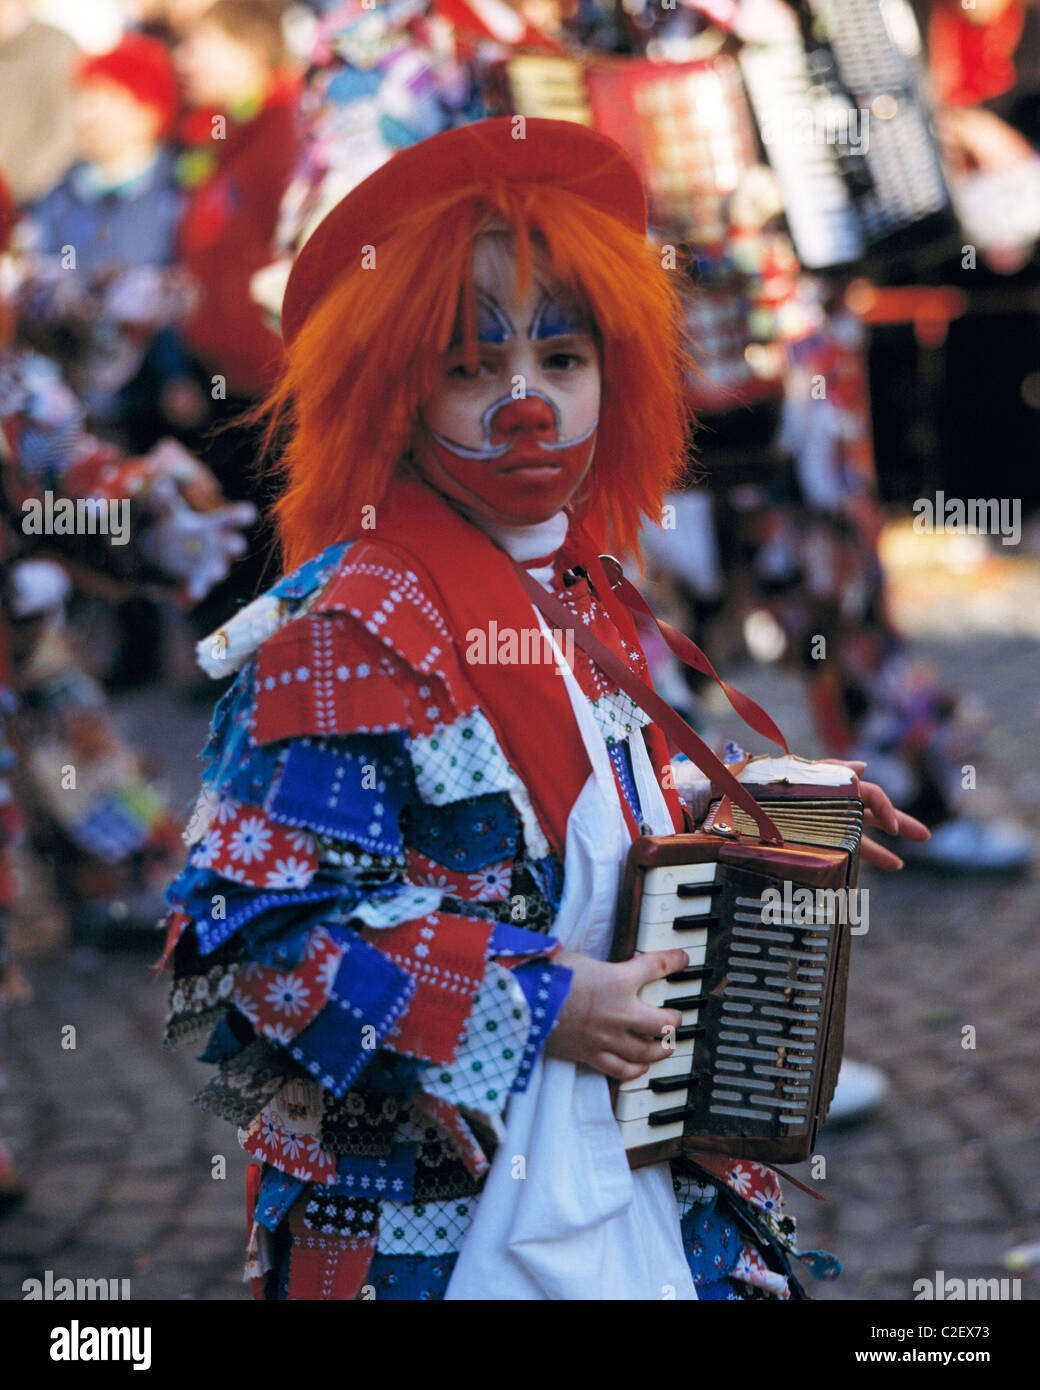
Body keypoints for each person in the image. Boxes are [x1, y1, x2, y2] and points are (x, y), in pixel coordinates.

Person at [162, 117, 929, 1300]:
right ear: (390, 390)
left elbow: (578, 811)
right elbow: (257, 948)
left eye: (561, 360)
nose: (527, 404)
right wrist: (543, 999)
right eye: (471, 368)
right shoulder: (343, 631)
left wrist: (757, 807)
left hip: (638, 1183)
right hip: (435, 1223)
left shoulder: (584, 581)